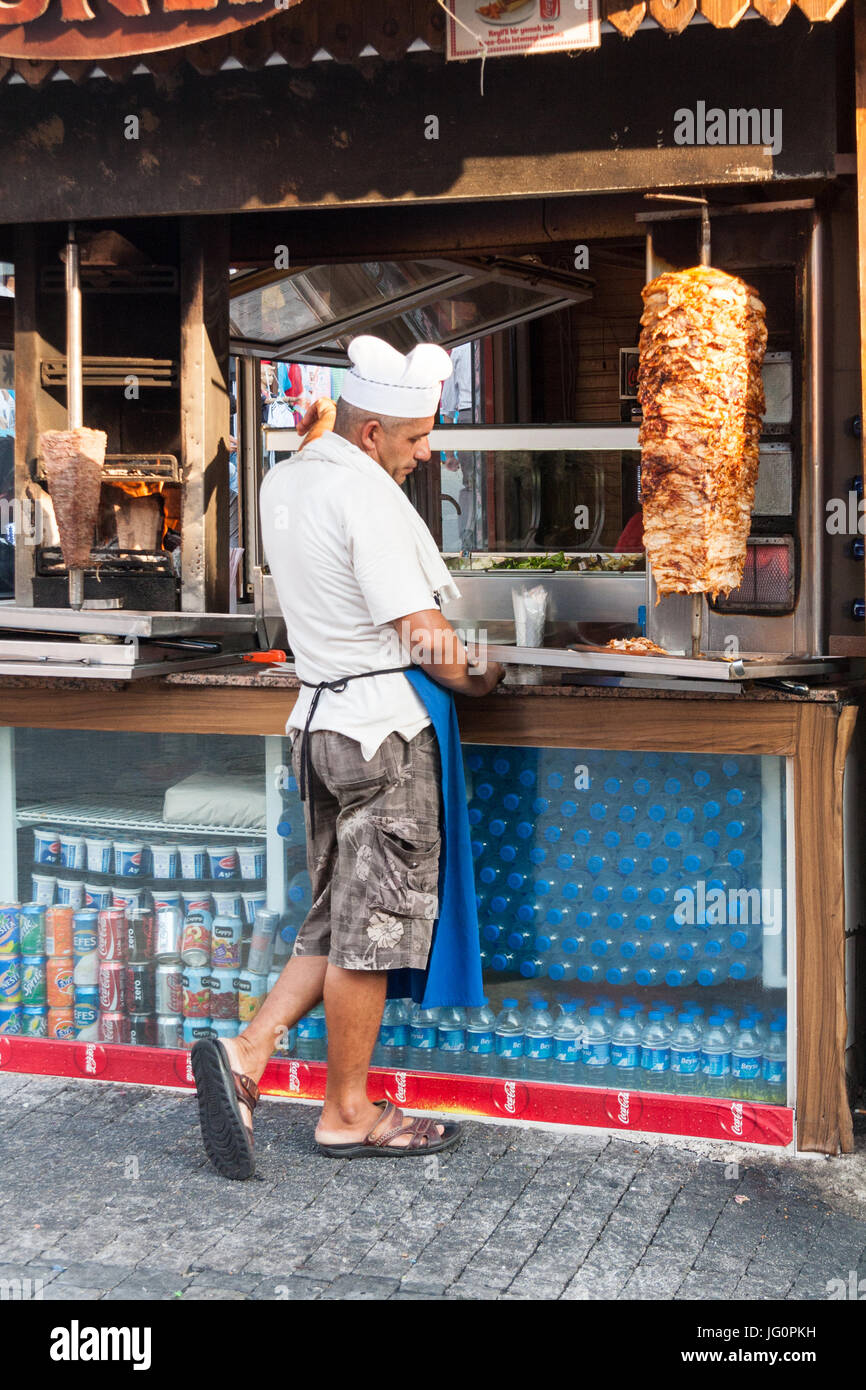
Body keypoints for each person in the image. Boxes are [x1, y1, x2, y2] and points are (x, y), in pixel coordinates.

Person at [192, 334, 505, 1178]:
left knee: (333, 917)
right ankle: (347, 1112)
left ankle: (249, 1053)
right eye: (413, 439)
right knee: (372, 931)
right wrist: (486, 668)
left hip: (322, 725)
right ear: (372, 434)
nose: (424, 452)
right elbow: (426, 638)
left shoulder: (288, 475)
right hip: (382, 734)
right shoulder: (363, 495)